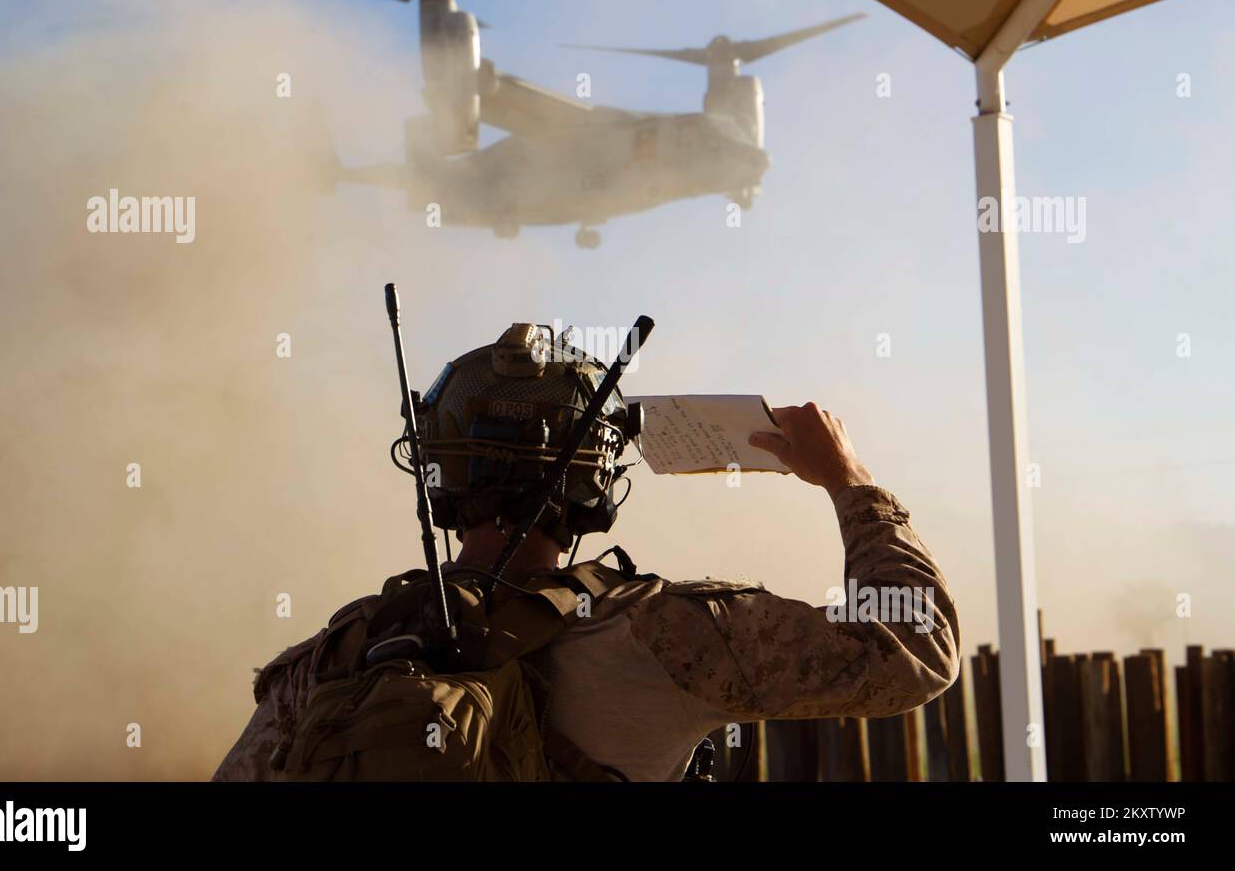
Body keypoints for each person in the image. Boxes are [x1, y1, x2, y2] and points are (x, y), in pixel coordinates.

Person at [213, 324, 959, 781]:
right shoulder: (666, 632)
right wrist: (851, 483)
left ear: (437, 466)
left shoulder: (335, 660)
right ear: (591, 480)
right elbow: (913, 650)